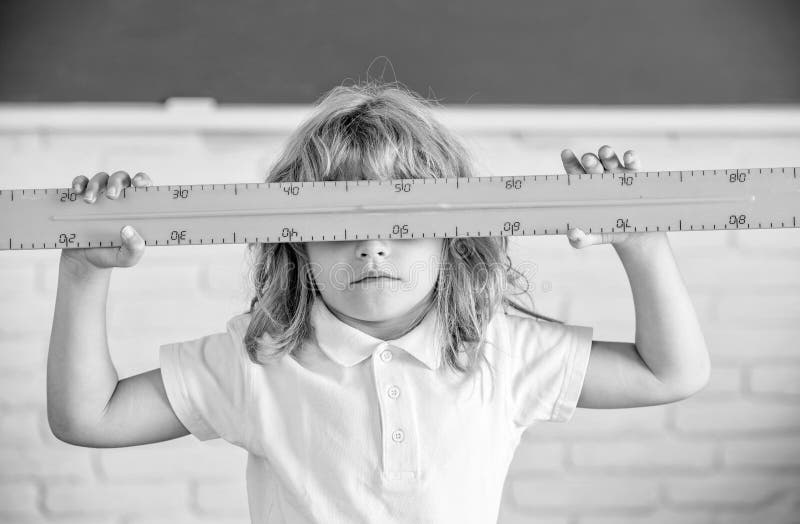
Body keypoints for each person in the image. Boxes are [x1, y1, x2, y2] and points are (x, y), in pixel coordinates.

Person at [47, 80, 710, 524]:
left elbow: (671, 372)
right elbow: (90, 417)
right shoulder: (257, 360)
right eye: (337, 224)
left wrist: (642, 245)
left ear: (452, 237)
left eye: (401, 218)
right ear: (296, 248)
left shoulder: (499, 349)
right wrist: (83, 273)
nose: (370, 245)